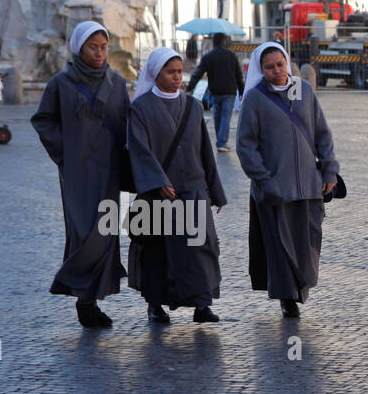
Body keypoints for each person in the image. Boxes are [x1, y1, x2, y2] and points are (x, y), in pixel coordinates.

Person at [30, 20, 130, 328]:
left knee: (106, 232)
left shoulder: (117, 82)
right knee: (85, 232)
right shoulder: (60, 83)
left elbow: (128, 124)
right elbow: (43, 120)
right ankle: (80, 293)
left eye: (103, 47)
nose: (99, 53)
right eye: (93, 47)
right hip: (78, 173)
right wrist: (66, 153)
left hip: (109, 171)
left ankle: (89, 300)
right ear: (78, 48)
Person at [235, 41, 340, 319]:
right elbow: (246, 145)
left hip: (307, 185)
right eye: (269, 67)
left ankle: (300, 288)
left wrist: (329, 170)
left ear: (287, 62)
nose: (277, 71)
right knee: (281, 247)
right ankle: (287, 298)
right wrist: (263, 179)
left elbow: (322, 134)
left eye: (280, 64)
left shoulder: (304, 91)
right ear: (261, 70)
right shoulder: (256, 99)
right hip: (275, 189)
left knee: (306, 243)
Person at [126, 48, 226, 324]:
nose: (176, 77)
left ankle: (202, 305)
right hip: (160, 195)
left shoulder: (193, 106)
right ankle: (155, 304)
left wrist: (215, 192)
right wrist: (157, 182)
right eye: (170, 72)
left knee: (200, 248)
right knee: (159, 253)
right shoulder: (141, 108)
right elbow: (139, 149)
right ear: (156, 73)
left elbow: (205, 151)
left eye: (180, 72)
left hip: (194, 190)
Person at [186, 32, 245, 153]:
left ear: (214, 42)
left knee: (217, 116)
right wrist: (241, 91)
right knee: (225, 116)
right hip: (229, 90)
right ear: (224, 42)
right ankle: (222, 142)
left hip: (215, 91)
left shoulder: (208, 56)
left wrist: (189, 87)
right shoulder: (231, 56)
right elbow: (239, 75)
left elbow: (198, 73)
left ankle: (220, 140)